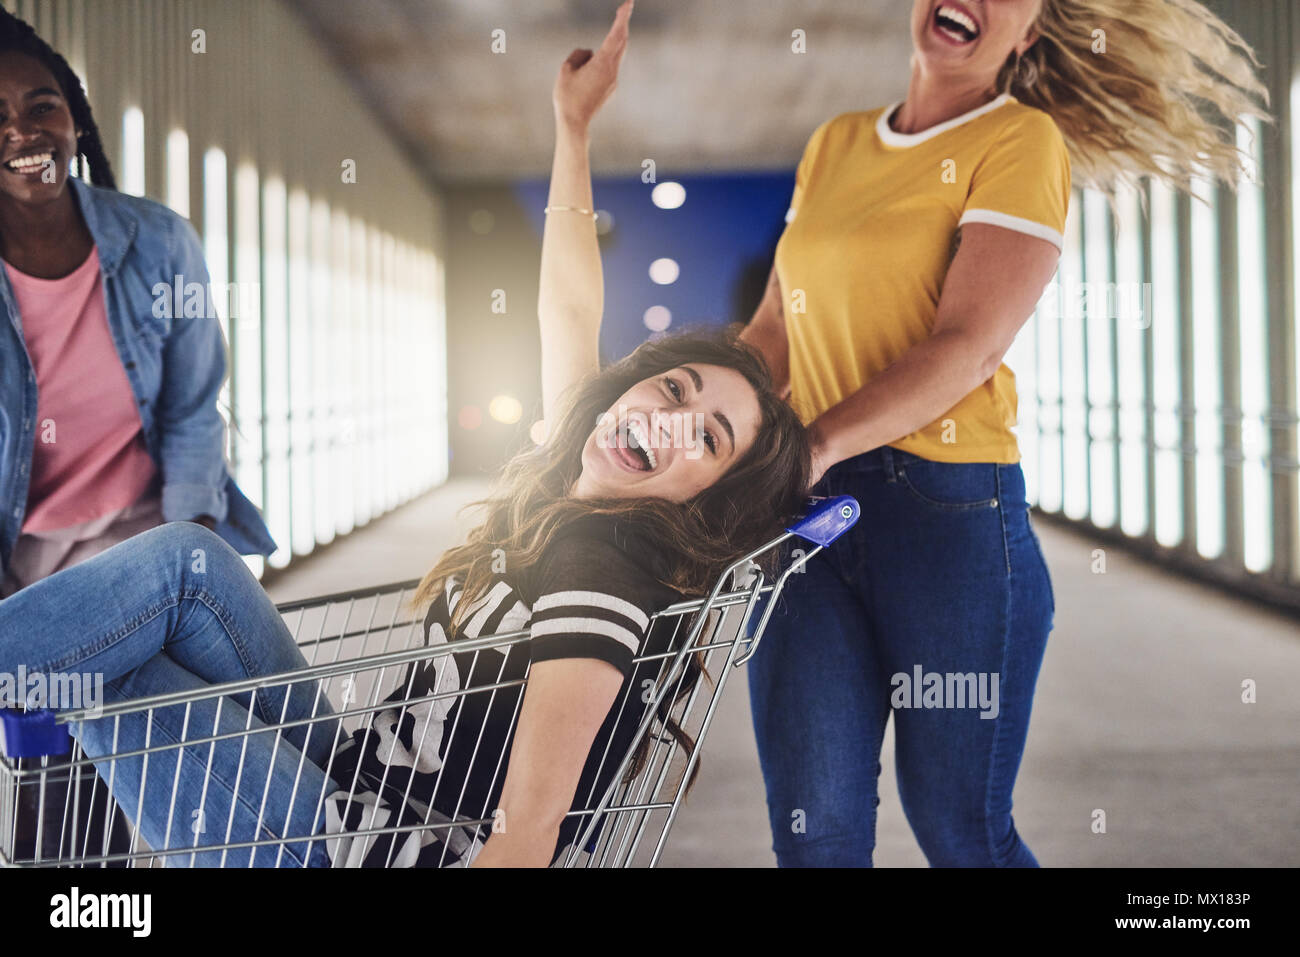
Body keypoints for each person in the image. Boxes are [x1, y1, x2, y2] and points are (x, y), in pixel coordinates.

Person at [0, 0, 810, 868]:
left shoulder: (599, 576)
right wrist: (572, 129)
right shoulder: (578, 484)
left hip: (366, 848)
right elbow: (569, 309)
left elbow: (528, 837)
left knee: (115, 676)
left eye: (709, 438)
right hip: (361, 783)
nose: (669, 416)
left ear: (704, 500)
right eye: (675, 385)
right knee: (183, 569)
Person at [740, 0, 1268, 866]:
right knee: (813, 830)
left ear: (1028, 35)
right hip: (804, 517)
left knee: (960, 830)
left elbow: (969, 343)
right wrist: (688, 410)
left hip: (947, 516)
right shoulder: (833, 142)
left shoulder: (1020, 143)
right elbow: (773, 334)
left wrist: (816, 442)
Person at [0, 10, 274, 599]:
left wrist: (191, 553)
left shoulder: (163, 242)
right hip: (20, 579)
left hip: (150, 541)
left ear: (75, 112)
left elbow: (193, 408)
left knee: (239, 688)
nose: (24, 132)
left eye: (42, 106)